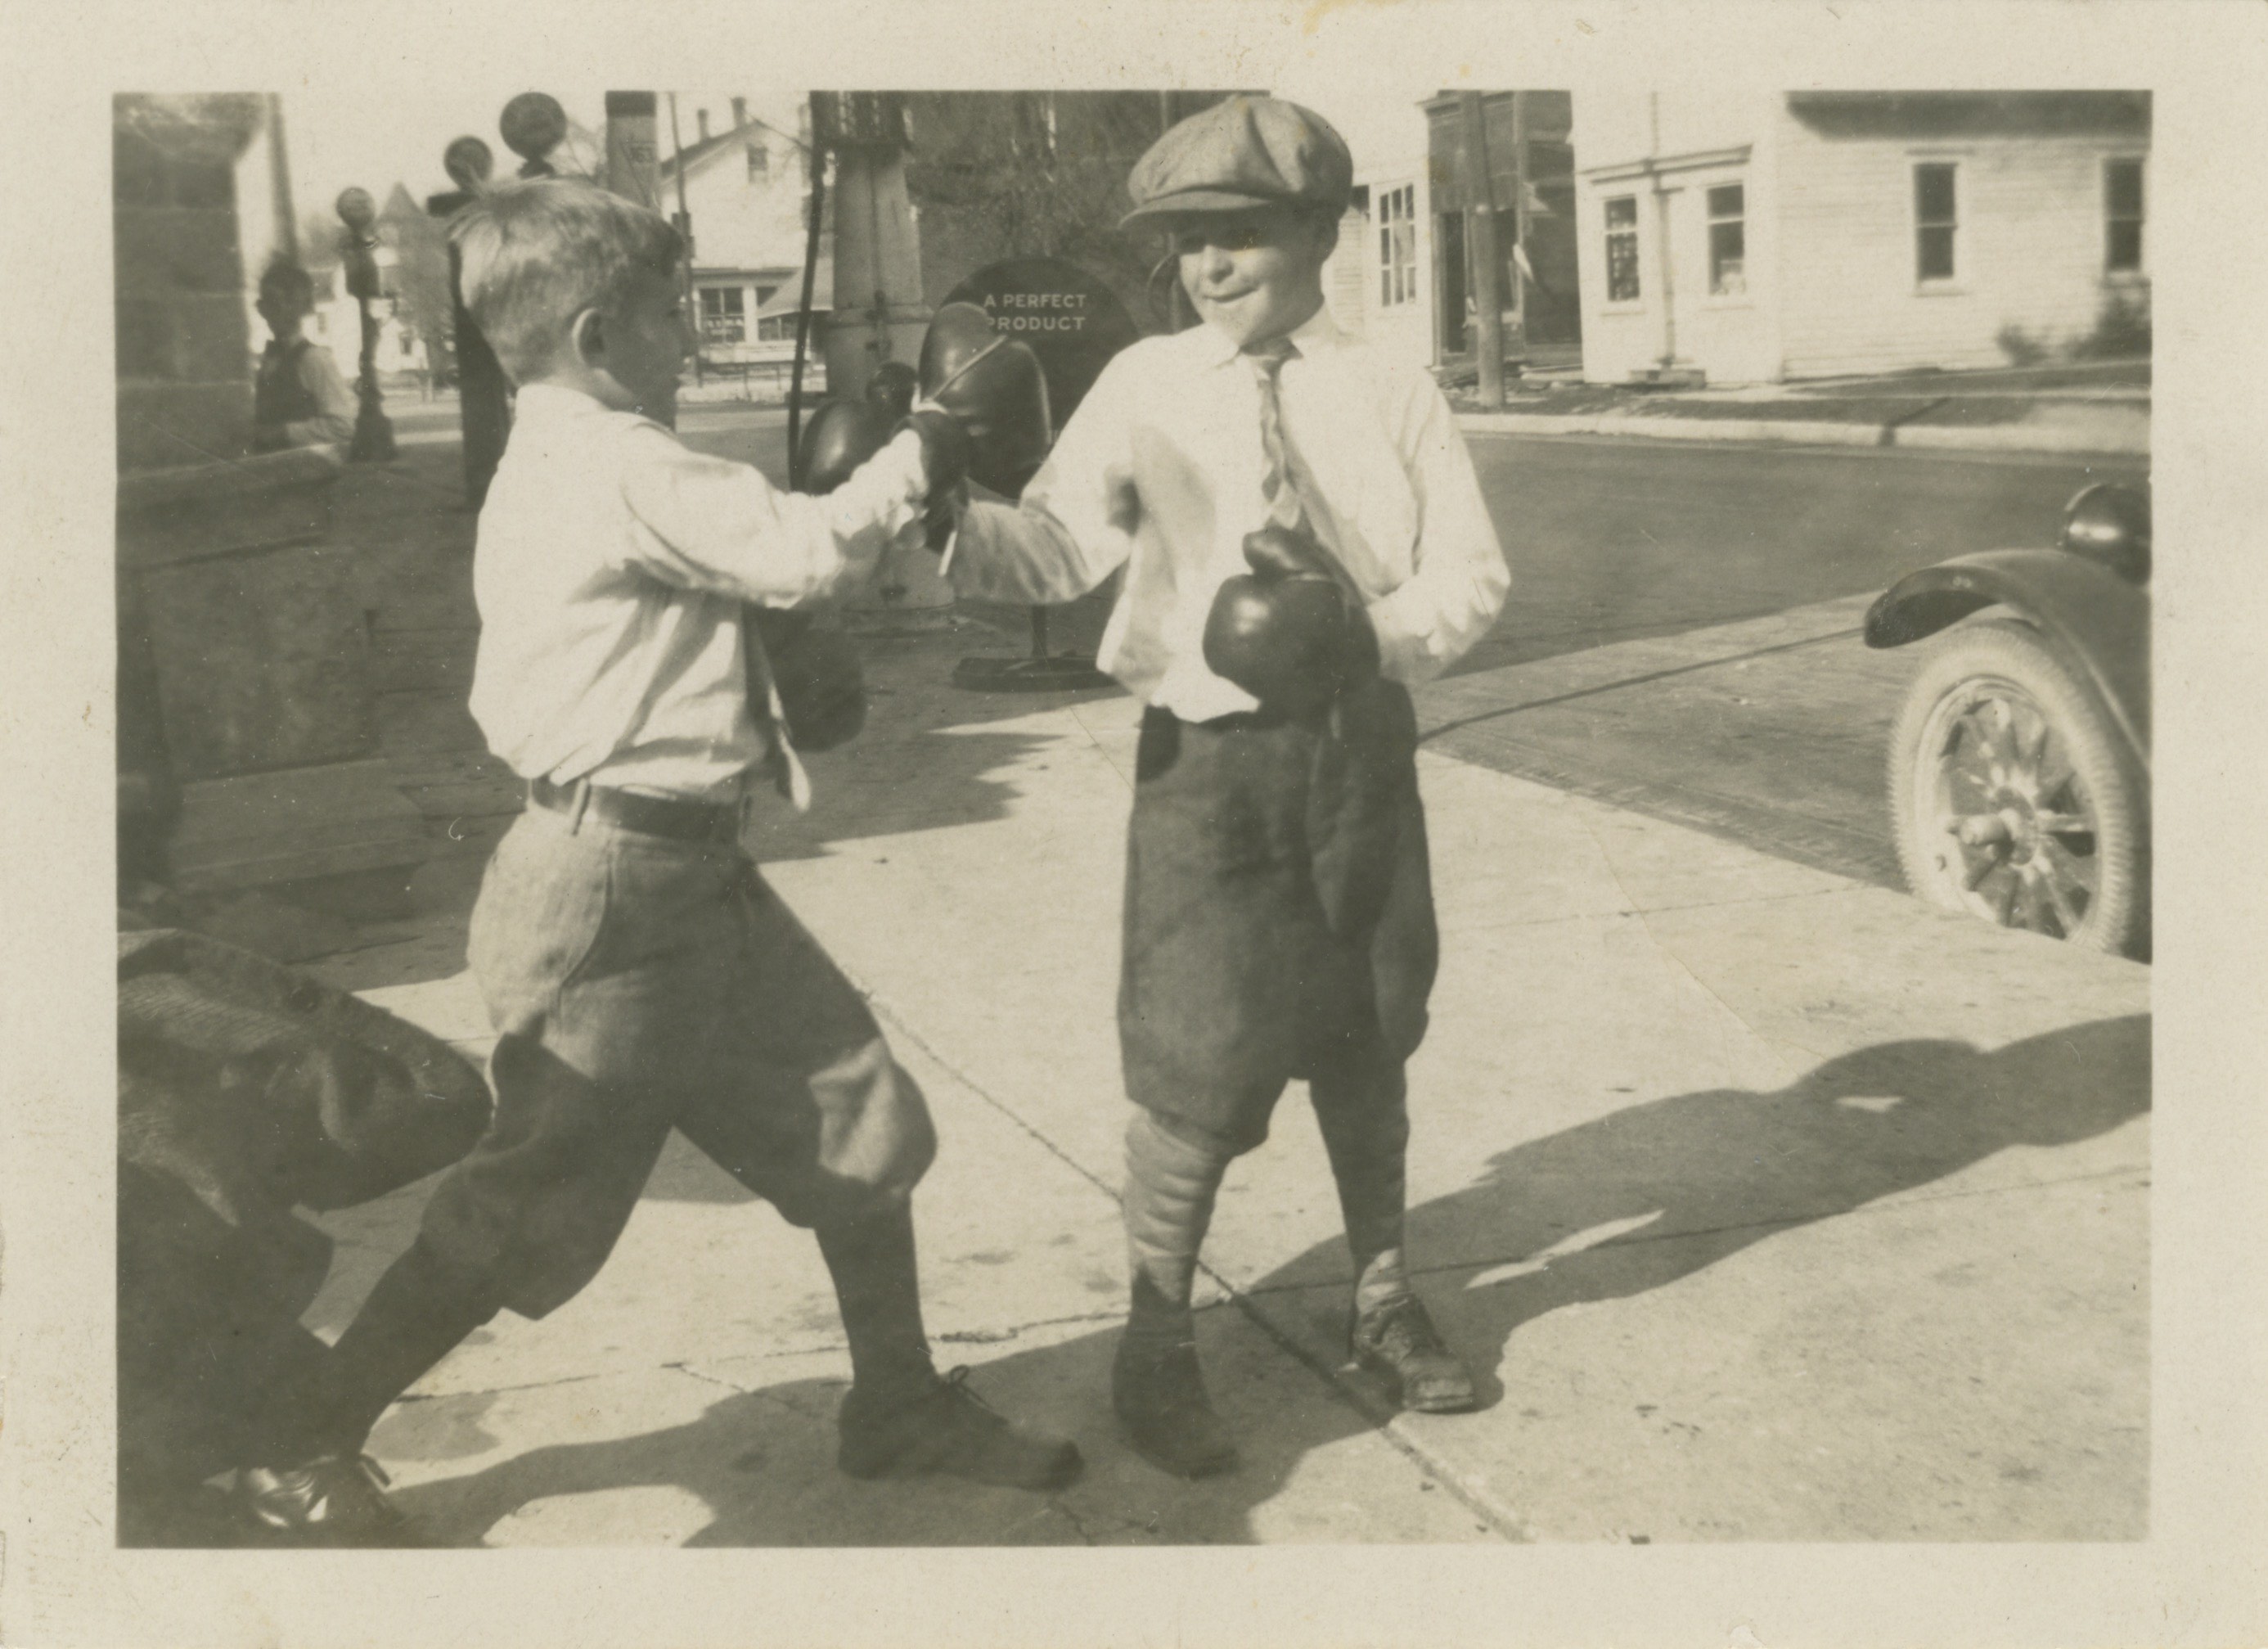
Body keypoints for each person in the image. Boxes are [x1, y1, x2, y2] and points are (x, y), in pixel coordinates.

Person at [235, 178, 1078, 1543]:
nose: (686, 343)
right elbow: (803, 555)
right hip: (611, 887)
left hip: (679, 871)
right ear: (591, 336)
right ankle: (300, 1440)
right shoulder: (614, 460)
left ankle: (900, 1402)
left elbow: (741, 592)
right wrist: (927, 436)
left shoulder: (575, 456)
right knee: (533, 1201)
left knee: (855, 1117)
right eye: (668, 319)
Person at [939, 97, 1511, 1478]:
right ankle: (1155, 1334)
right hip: (1208, 774)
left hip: (1354, 754)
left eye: (1238, 235)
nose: (1207, 266)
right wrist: (937, 510)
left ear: (1320, 233)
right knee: (1195, 1060)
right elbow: (1056, 552)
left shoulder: (1392, 388)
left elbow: (1474, 579)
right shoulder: (1143, 385)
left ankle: (1379, 1297)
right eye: (1188, 243)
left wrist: (1362, 633)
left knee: (1369, 1030)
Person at [250, 260, 356, 453]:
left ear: (298, 308)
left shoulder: (314, 359)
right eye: (264, 304)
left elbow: (344, 426)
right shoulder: (269, 361)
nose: (267, 312)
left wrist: (283, 432)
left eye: (276, 303)